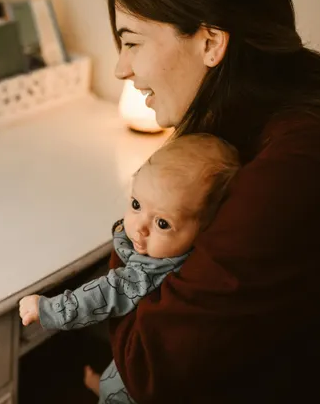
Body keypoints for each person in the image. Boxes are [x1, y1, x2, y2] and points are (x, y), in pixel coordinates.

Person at [87, 0, 320, 402]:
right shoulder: (276, 111)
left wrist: (141, 218)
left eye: (132, 41)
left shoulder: (296, 164)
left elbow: (147, 366)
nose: (121, 67)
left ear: (211, 42)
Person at [19, 134, 240, 404]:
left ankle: (106, 394)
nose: (140, 227)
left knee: (119, 387)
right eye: (136, 204)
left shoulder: (150, 271)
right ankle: (103, 386)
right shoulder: (182, 253)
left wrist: (48, 310)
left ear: (205, 229)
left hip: (140, 387)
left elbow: (102, 296)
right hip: (153, 360)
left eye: (162, 223)